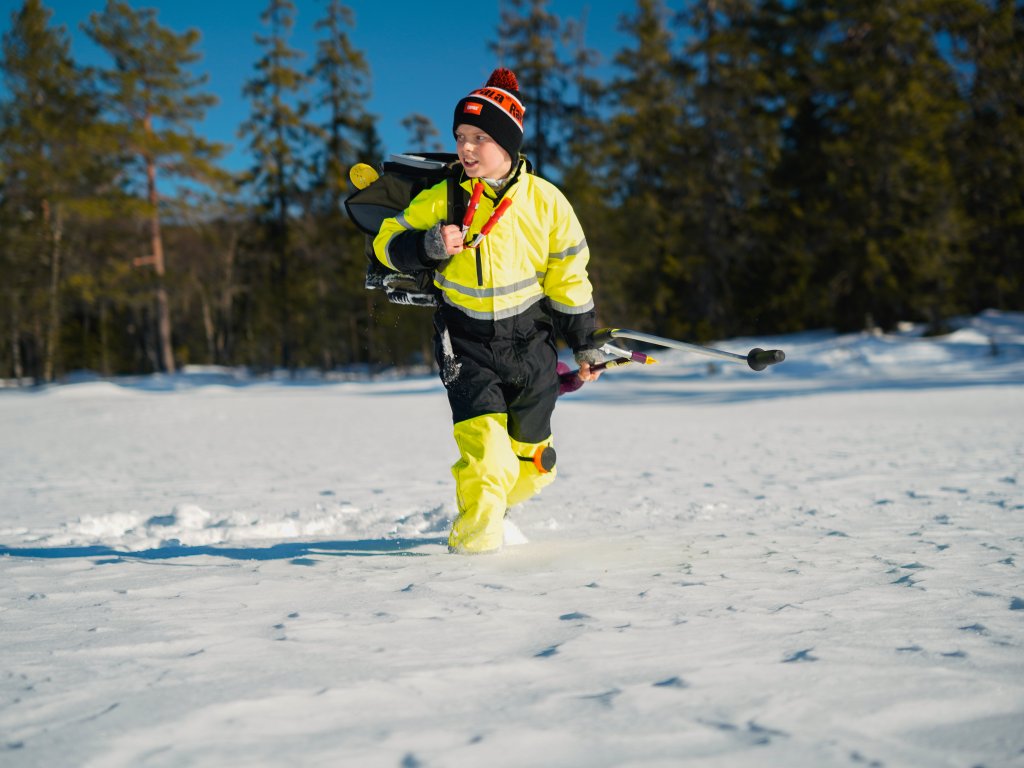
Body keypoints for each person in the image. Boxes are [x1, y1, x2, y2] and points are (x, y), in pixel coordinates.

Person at [373, 68, 602, 554]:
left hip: (531, 344)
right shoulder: (445, 197)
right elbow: (386, 241)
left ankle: (491, 513)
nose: (466, 148)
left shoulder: (547, 203)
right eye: (460, 137)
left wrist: (585, 342)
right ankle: (471, 566)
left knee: (536, 469)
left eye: (479, 137)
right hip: (466, 344)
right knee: (487, 463)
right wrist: (428, 244)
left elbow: (569, 277)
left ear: (508, 142)